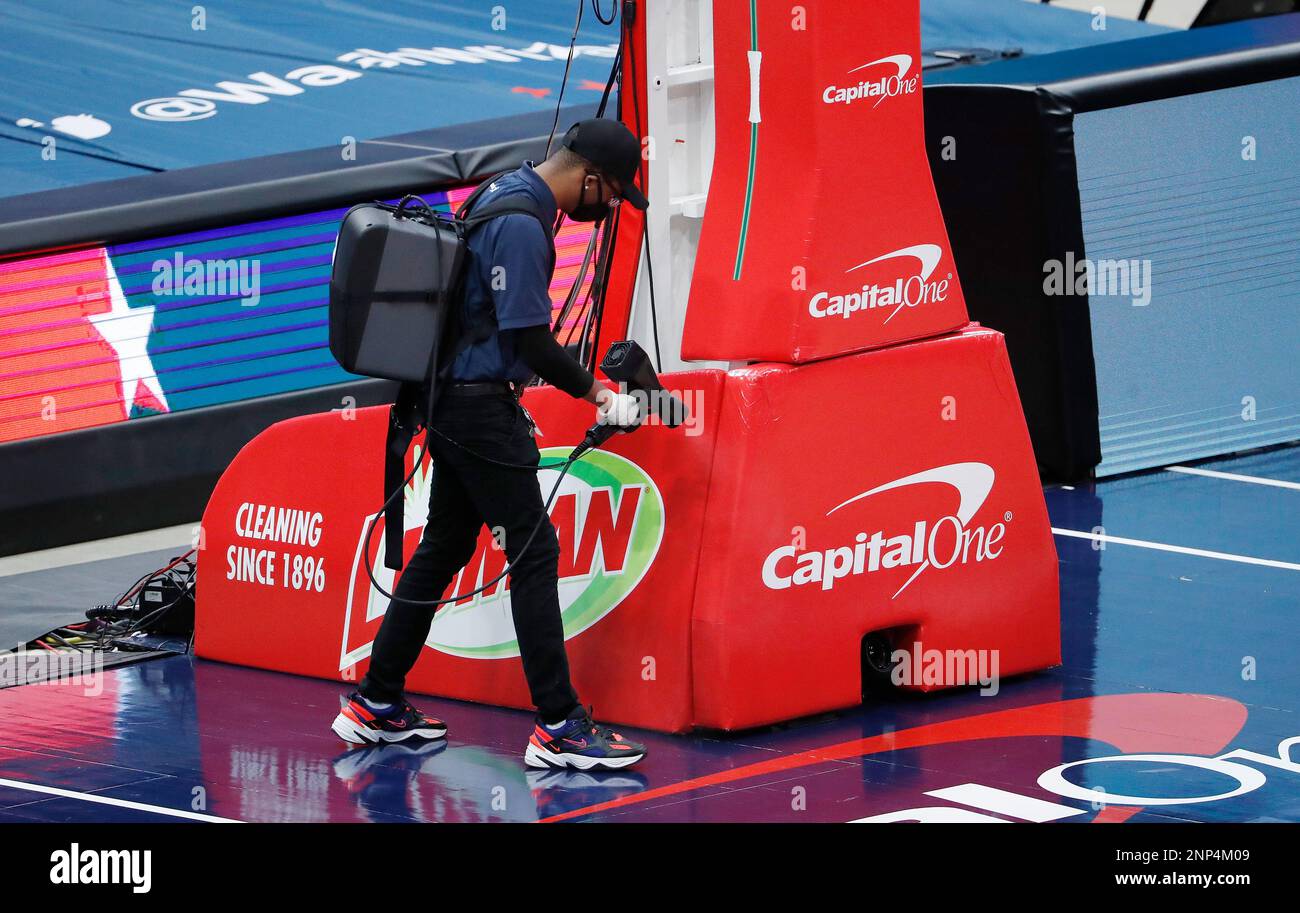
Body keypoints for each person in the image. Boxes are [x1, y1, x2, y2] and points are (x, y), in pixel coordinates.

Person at [331, 119, 651, 770]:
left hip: (459, 400)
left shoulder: (507, 193)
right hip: (475, 409)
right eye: (613, 192)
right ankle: (559, 724)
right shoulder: (523, 224)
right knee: (535, 553)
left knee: (445, 546)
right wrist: (599, 394)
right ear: (588, 176)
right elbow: (530, 337)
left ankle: (376, 700)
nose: (611, 206)